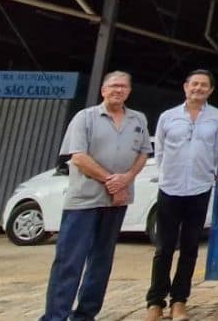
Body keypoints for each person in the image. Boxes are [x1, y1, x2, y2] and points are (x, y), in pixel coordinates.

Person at [40, 71, 151, 321]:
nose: (118, 90)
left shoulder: (138, 120)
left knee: (101, 261)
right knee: (70, 260)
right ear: (103, 90)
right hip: (85, 200)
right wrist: (111, 180)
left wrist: (127, 178)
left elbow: (144, 154)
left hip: (116, 201)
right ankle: (55, 315)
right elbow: (78, 156)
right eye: (113, 86)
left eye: (123, 86)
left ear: (129, 91)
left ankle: (86, 314)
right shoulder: (85, 118)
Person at [146, 69, 218, 321]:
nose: (198, 89)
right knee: (164, 248)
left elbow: (217, 150)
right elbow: (159, 149)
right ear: (185, 87)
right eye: (194, 84)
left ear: (211, 90)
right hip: (170, 187)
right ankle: (155, 301)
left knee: (190, 247)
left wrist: (206, 174)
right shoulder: (168, 117)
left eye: (204, 85)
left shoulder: (217, 117)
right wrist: (168, 172)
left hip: (199, 188)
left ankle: (179, 301)